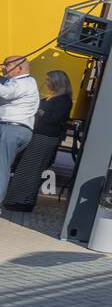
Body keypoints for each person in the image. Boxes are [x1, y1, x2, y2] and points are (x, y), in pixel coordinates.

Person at [4, 69, 72, 212]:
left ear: (57, 82)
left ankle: (24, 201)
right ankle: (15, 198)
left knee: (33, 170)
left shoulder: (64, 100)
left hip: (45, 138)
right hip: (38, 136)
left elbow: (54, 119)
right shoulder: (50, 97)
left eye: (48, 80)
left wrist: (39, 112)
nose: (46, 82)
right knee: (25, 168)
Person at [0, 55, 40, 203]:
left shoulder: (25, 82)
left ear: (19, 69)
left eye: (7, 65)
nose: (4, 68)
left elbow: (6, 93)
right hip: (12, 128)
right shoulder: (16, 82)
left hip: (11, 129)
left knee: (1, 167)